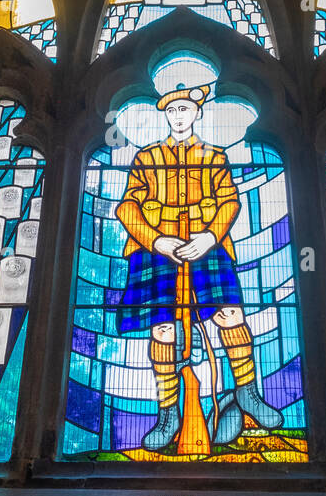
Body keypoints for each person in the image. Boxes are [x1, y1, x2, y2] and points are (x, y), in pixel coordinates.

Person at [114, 81, 283, 452]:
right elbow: (127, 206)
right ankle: (169, 413)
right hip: (155, 250)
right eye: (172, 111)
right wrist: (157, 240)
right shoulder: (146, 158)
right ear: (165, 115)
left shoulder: (214, 156)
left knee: (230, 314)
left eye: (184, 110)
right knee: (163, 330)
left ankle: (247, 394)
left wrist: (208, 237)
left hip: (207, 246)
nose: (178, 116)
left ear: (197, 113)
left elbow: (230, 202)